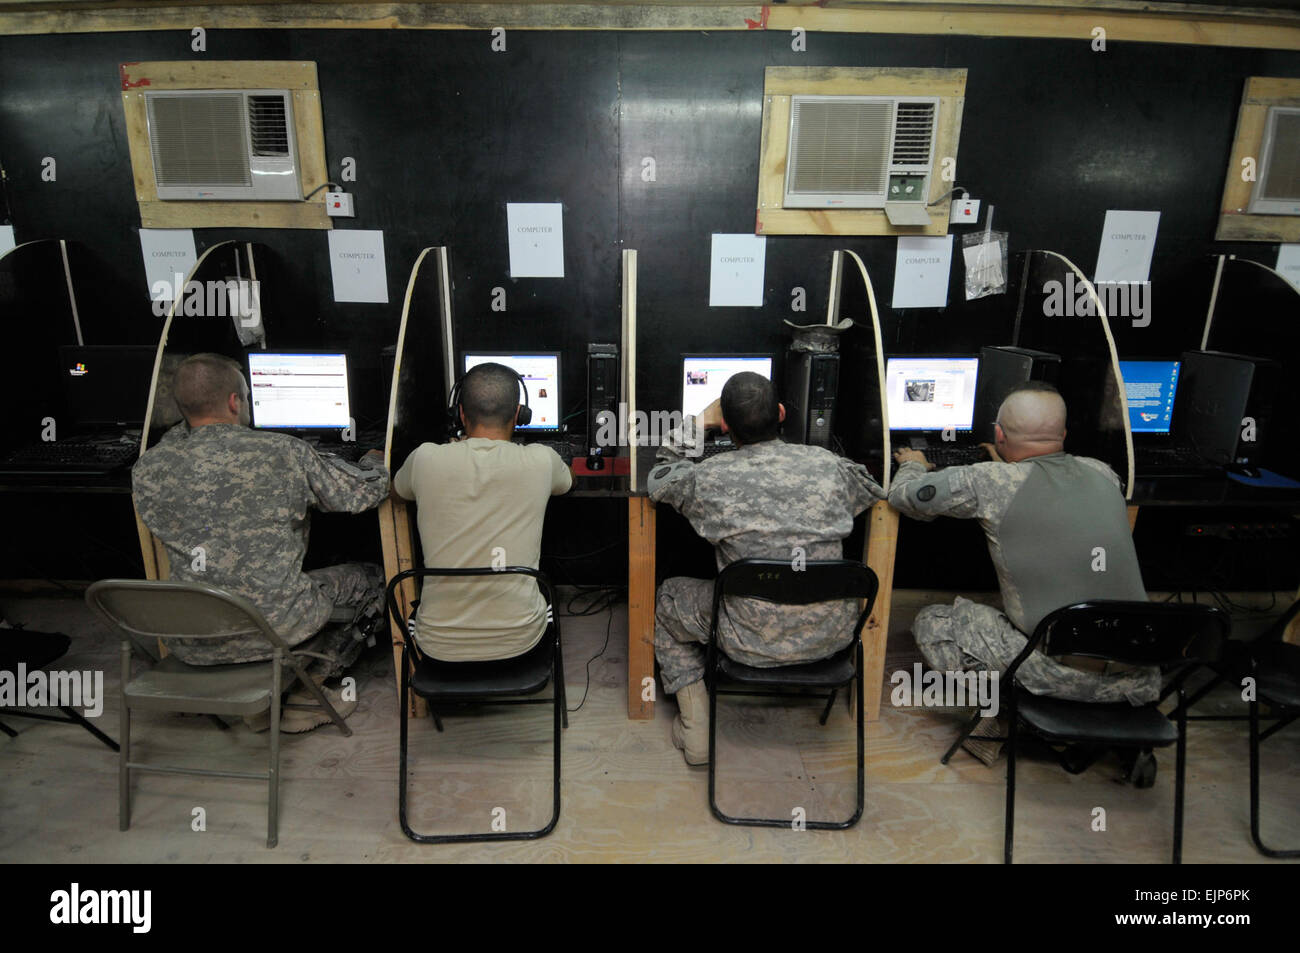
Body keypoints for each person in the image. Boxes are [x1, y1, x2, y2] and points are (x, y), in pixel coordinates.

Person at [888, 382, 1159, 762]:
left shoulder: (988, 481)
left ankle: (1003, 709)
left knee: (933, 620)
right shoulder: (1104, 475)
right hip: (1141, 677)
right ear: (1063, 435)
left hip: (1060, 677)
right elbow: (1042, 479)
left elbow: (906, 497)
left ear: (998, 435)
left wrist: (913, 463)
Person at [132, 353, 390, 731]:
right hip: (272, 630)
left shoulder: (148, 469)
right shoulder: (283, 452)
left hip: (190, 638)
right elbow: (362, 495)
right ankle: (307, 691)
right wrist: (374, 463)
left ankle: (251, 702)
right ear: (235, 402)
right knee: (372, 580)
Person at [648, 372, 884, 765]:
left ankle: (696, 725)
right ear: (779, 413)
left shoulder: (711, 477)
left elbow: (660, 478)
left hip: (746, 639)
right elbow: (872, 488)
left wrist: (696, 425)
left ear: (725, 424)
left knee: (669, 596)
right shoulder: (829, 467)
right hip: (832, 636)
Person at [392, 362, 572, 661]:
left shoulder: (424, 458)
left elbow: (397, 495)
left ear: (460, 413)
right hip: (521, 641)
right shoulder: (542, 460)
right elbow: (568, 483)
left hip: (437, 644)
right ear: (519, 415)